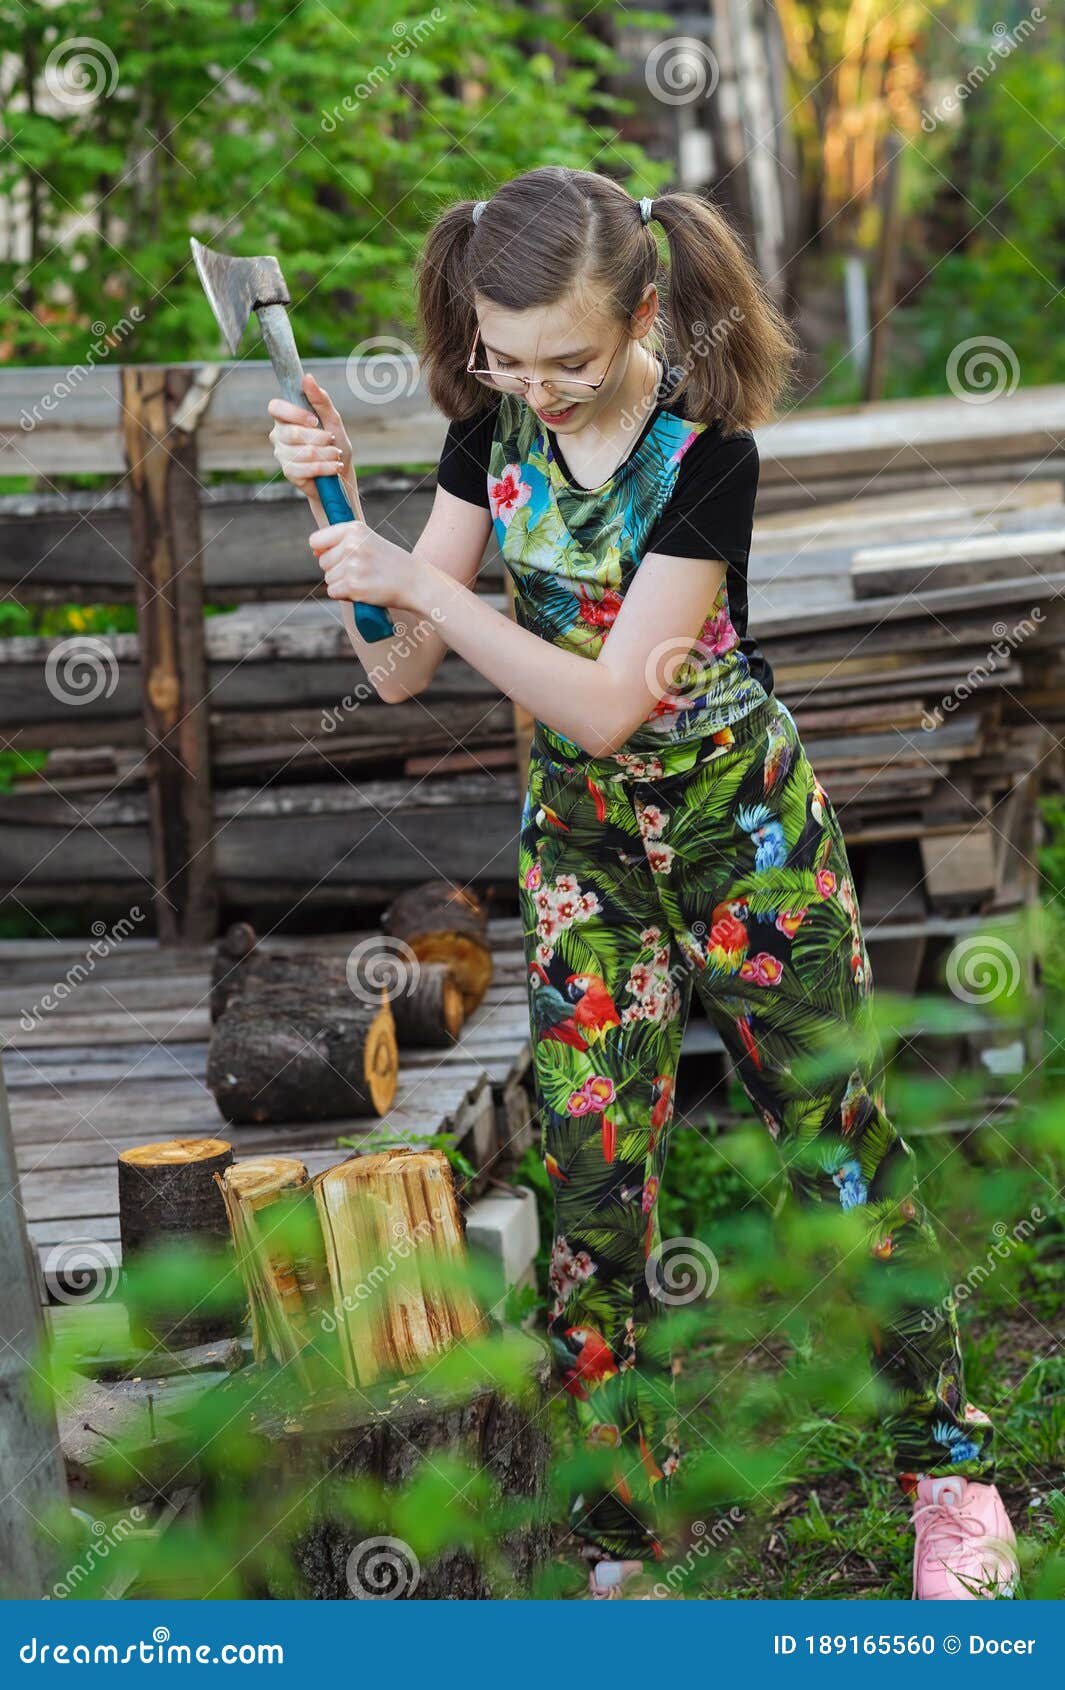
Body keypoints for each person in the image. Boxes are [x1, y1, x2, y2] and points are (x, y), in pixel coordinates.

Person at [268, 165, 1017, 1601]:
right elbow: (396, 662)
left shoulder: (703, 457)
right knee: (592, 1185)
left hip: (746, 843)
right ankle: (624, 1542)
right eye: (503, 354)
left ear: (641, 314)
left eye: (566, 357)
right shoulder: (480, 441)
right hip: (586, 864)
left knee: (836, 1144)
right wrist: (339, 508)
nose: (533, 388)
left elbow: (612, 701)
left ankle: (948, 1477)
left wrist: (429, 589)